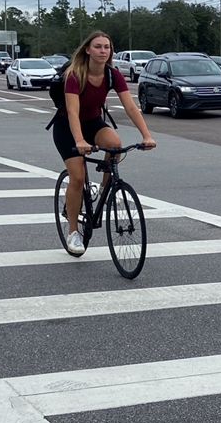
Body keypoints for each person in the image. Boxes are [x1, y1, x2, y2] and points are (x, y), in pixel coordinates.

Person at [54, 30, 157, 255]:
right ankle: (73, 232)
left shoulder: (112, 75)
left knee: (115, 144)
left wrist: (146, 135)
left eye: (107, 47)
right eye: (98, 46)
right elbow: (72, 111)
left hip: (92, 122)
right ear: (88, 50)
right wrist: (79, 140)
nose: (103, 51)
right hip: (67, 127)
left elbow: (131, 107)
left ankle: (101, 190)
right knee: (78, 176)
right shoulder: (75, 75)